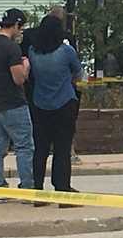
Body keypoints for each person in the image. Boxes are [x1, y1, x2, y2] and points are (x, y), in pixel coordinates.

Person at [28, 14, 84, 204]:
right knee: (62, 149)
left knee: (40, 149)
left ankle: (38, 191)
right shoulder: (66, 51)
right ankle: (62, 190)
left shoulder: (33, 52)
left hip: (40, 104)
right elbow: (79, 73)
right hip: (64, 104)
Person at [0, 8, 34, 200]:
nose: (21, 32)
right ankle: (28, 187)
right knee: (24, 147)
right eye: (21, 27)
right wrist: (26, 66)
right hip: (13, 103)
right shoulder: (12, 48)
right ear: (16, 25)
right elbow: (18, 78)